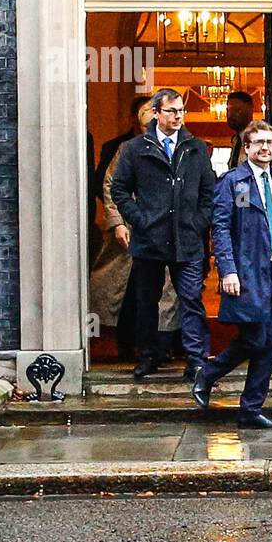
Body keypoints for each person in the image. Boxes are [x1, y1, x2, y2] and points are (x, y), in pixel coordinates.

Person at [191, 121, 272, 430]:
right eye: (258, 142)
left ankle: (251, 409)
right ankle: (207, 374)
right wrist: (227, 270)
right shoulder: (235, 182)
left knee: (270, 345)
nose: (265, 148)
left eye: (269, 142)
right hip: (248, 273)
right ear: (246, 148)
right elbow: (221, 228)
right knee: (254, 339)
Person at [110, 88, 214, 381]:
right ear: (156, 113)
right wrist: (139, 219)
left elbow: (209, 191)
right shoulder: (135, 148)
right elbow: (119, 188)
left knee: (191, 300)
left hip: (187, 238)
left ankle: (196, 360)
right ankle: (147, 356)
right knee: (147, 302)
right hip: (149, 238)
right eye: (171, 111)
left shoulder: (195, 148)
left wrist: (198, 222)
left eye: (181, 110)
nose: (178, 116)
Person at [89, 100, 181, 362]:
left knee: (166, 293)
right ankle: (129, 347)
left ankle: (161, 348)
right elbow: (110, 185)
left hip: (167, 234)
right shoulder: (126, 150)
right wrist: (117, 222)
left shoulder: (181, 149)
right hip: (132, 233)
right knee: (130, 292)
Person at [225, 91, 255, 171]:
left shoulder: (258, 139)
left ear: (249, 110)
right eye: (228, 110)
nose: (231, 115)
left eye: (237, 110)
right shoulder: (236, 141)